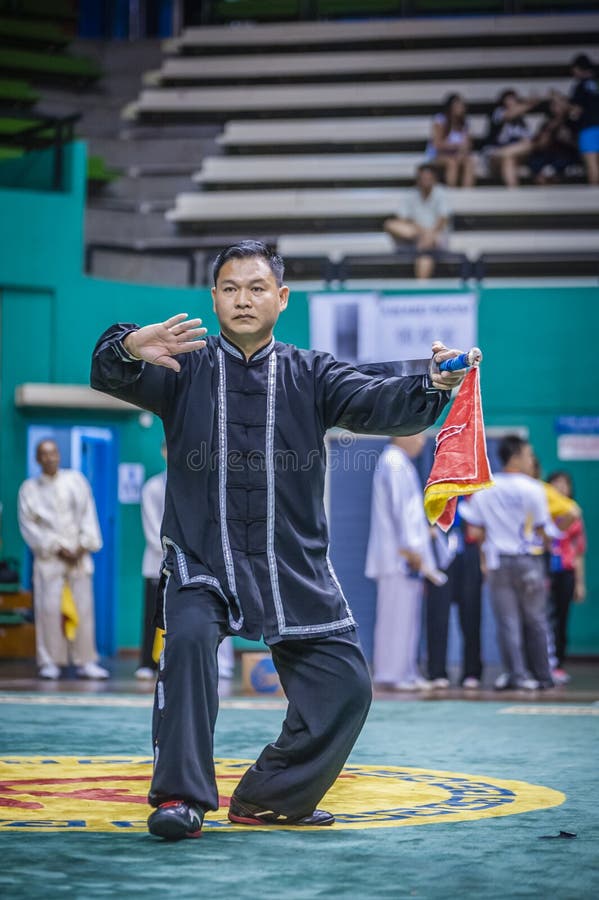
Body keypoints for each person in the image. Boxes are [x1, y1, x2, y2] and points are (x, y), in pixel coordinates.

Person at [90, 240, 465, 841]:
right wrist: (130, 347)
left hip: (291, 564)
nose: (243, 299)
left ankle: (271, 796)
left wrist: (432, 385)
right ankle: (182, 798)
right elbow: (111, 372)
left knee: (347, 687)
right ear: (213, 298)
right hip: (200, 561)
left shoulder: (311, 373)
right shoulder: (179, 368)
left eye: (257, 288)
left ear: (282, 298)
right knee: (185, 643)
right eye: (231, 288)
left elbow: (376, 401)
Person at [459, 435, 553, 691]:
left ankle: (518, 676)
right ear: (515, 456)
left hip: (498, 563)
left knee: (507, 623)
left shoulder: (486, 487)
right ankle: (544, 676)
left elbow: (474, 531)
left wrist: (484, 555)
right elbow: (545, 531)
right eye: (528, 455)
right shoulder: (534, 488)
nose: (531, 460)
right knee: (536, 620)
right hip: (529, 562)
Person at [136, 440, 235, 682]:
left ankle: (217, 662)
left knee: (209, 610)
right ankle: (149, 664)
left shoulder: (200, 483)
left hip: (199, 562)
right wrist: (174, 554)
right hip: (159, 563)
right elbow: (152, 529)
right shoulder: (153, 487)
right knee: (156, 613)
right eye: (168, 447)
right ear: (163, 451)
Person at [17, 439, 108, 681]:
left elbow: (88, 514)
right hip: (50, 560)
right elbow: (29, 528)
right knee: (48, 610)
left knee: (84, 609)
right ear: (37, 459)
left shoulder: (75, 481)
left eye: (54, 452)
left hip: (78, 557)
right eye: (44, 454)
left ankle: (86, 661)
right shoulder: (29, 489)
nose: (50, 458)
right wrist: (55, 547)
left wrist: (83, 545)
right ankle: (50, 661)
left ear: (59, 454)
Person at [365, 432, 438, 691]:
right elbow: (401, 510)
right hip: (399, 557)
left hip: (405, 556)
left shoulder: (400, 463)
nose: (422, 441)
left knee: (407, 617)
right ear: (403, 435)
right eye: (418, 435)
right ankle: (391, 673)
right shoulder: (394, 462)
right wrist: (411, 549)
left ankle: (406, 670)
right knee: (396, 617)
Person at [425, 504, 483, 690]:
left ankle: (472, 672)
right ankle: (437, 672)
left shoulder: (476, 494)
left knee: (471, 616)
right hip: (440, 557)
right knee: (438, 617)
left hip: (469, 557)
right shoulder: (435, 492)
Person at [546, 470, 586, 684]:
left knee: (561, 620)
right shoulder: (543, 509)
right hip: (544, 571)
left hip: (566, 572)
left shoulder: (575, 515)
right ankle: (543, 664)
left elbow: (578, 552)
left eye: (565, 484)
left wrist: (579, 583)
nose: (561, 488)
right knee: (543, 619)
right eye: (556, 484)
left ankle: (558, 665)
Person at [384, 164, 451, 280]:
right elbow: (402, 219)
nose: (426, 181)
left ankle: (421, 288)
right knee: (390, 224)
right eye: (423, 178)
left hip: (435, 237)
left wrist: (430, 234)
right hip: (415, 235)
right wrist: (422, 232)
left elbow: (443, 219)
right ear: (418, 179)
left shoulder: (441, 193)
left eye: (428, 178)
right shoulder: (410, 194)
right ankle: (423, 240)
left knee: (425, 252)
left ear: (434, 179)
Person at [483, 89, 542, 187]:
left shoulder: (522, 123)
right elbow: (510, 114)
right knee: (510, 156)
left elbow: (529, 143)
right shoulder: (497, 112)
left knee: (510, 158)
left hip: (512, 156)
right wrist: (531, 104)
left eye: (514, 99)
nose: (512, 102)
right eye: (509, 99)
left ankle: (513, 194)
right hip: (495, 155)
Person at [425, 93, 477, 187]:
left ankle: (467, 193)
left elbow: (467, 145)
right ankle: (452, 191)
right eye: (458, 105)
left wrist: (461, 152)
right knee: (452, 162)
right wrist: (455, 146)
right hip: (438, 155)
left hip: (457, 155)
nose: (461, 108)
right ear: (451, 107)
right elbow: (437, 144)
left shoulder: (465, 122)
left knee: (470, 162)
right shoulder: (440, 120)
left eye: (462, 105)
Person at [528, 92, 580, 184]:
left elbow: (579, 146)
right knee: (536, 163)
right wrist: (545, 137)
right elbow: (538, 144)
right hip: (546, 156)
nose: (556, 107)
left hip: (566, 156)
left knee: (560, 164)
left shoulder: (573, 121)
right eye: (554, 105)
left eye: (559, 105)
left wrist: (568, 140)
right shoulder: (547, 122)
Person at [567, 53, 599, 185]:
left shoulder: (580, 86)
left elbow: (576, 110)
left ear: (578, 68)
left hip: (589, 128)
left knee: (592, 164)